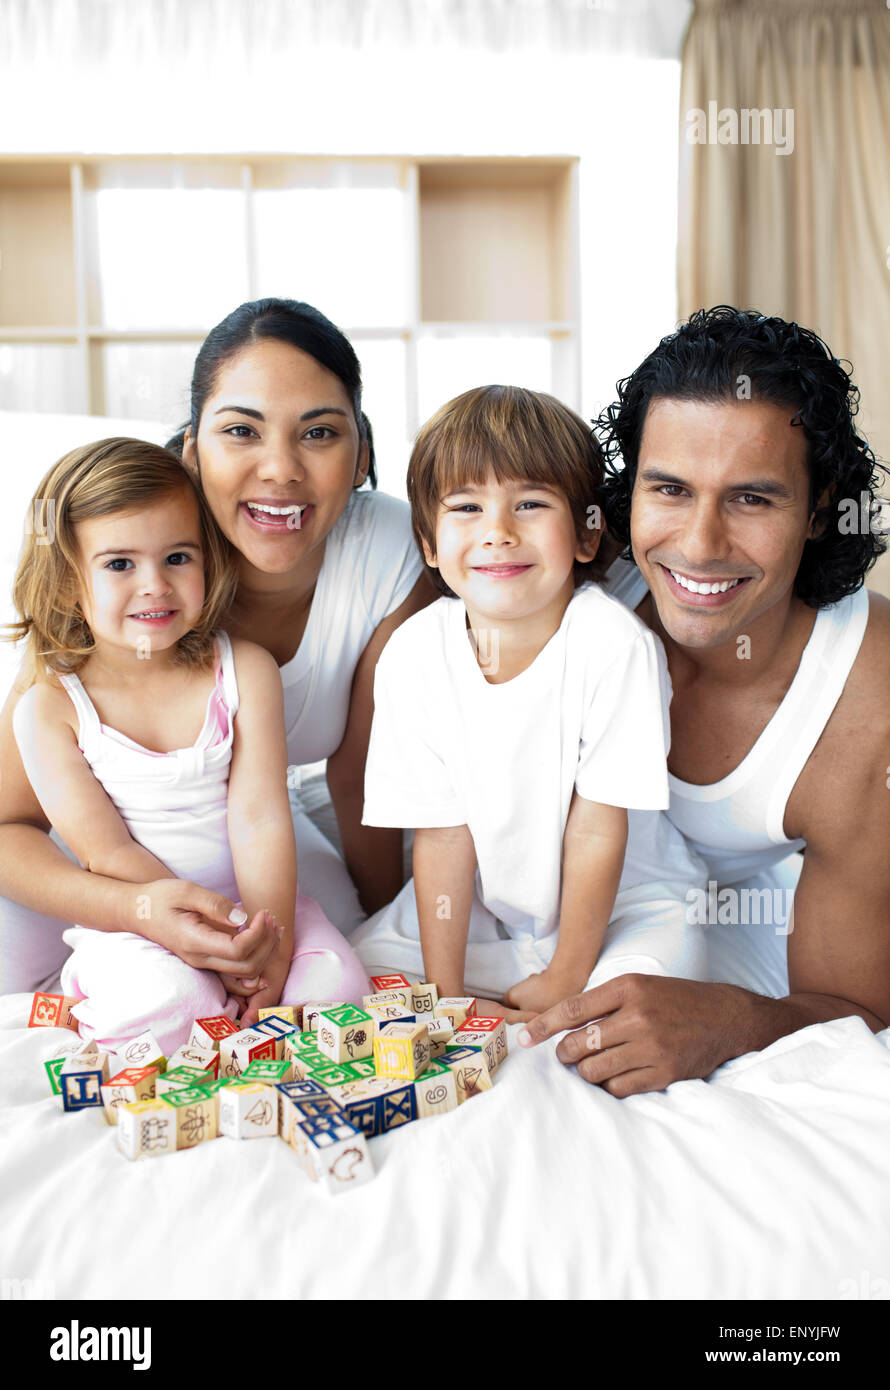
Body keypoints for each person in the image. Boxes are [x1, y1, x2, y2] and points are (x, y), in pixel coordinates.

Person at [0, 298, 434, 997]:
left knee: (342, 956)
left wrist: (377, 923)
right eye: (241, 431)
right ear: (191, 449)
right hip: (94, 854)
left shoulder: (387, 547)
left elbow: (358, 778)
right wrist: (138, 910)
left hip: (244, 838)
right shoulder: (130, 561)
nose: (280, 469)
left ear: (363, 455)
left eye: (319, 432)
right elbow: (10, 822)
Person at [519, 307, 890, 1094]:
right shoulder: (576, 568)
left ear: (820, 508)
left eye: (752, 499)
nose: (698, 544)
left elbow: (855, 1004)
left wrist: (728, 1017)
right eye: (671, 489)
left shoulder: (867, 704)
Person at [350, 385, 707, 1019]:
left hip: (624, 901)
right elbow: (442, 836)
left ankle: (571, 981)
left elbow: (599, 827)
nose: (498, 533)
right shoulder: (413, 653)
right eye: (465, 507)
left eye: (532, 504)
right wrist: (446, 991)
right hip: (487, 909)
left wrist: (567, 975)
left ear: (586, 537)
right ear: (429, 545)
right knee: (353, 981)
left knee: (630, 1009)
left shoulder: (612, 644)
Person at [5, 438, 370, 1054]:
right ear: (69, 584)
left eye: (178, 556)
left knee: (337, 989)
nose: (155, 585)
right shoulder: (50, 706)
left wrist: (263, 944)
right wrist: (197, 940)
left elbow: (260, 820)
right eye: (119, 564)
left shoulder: (245, 671)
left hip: (256, 908)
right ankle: (100, 999)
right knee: (173, 1003)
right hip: (142, 919)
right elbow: (107, 852)